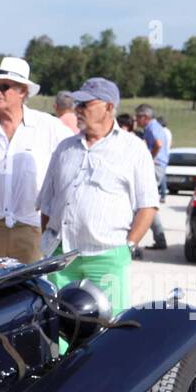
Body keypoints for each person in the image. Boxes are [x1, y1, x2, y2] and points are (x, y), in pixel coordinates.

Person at [38, 78, 159, 312]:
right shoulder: (65, 148)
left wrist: (128, 246)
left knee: (107, 330)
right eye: (77, 104)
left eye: (85, 104)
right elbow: (47, 203)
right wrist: (52, 245)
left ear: (109, 107)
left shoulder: (133, 149)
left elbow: (148, 206)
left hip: (107, 257)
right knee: (59, 329)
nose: (78, 110)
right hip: (63, 259)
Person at [0, 56, 72, 264]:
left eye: (4, 87)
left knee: (31, 291)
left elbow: (73, 158)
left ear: (23, 92)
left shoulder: (48, 127)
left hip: (31, 227)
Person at [134, 103, 169, 250]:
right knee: (148, 201)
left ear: (145, 117)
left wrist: (149, 158)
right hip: (160, 167)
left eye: (138, 117)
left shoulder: (151, 127)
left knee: (146, 202)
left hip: (155, 167)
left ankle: (159, 238)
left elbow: (158, 144)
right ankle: (159, 237)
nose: (136, 120)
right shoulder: (157, 127)